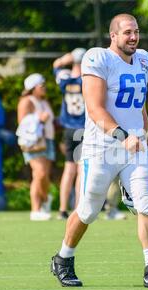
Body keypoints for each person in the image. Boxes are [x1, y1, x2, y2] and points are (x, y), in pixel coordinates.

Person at [50, 13, 148, 288]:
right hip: (102, 147)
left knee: (147, 203)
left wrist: (143, 140)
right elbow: (95, 108)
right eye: (127, 33)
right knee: (88, 210)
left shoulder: (144, 60)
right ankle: (63, 257)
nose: (133, 37)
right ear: (113, 35)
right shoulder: (98, 58)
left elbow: (140, 106)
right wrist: (122, 136)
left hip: (133, 147)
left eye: (136, 31)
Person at [52, 48, 87, 220]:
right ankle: (78, 208)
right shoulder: (87, 81)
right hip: (83, 128)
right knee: (81, 171)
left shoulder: (65, 80)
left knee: (68, 170)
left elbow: (56, 65)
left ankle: (62, 209)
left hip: (68, 129)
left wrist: (65, 58)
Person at [17, 73, 56, 221]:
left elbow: (51, 122)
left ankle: (44, 200)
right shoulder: (26, 101)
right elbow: (22, 124)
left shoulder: (45, 102)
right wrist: (38, 119)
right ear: (33, 88)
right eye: (42, 85)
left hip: (48, 141)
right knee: (39, 174)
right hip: (34, 142)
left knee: (43, 176)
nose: (44, 88)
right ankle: (36, 209)